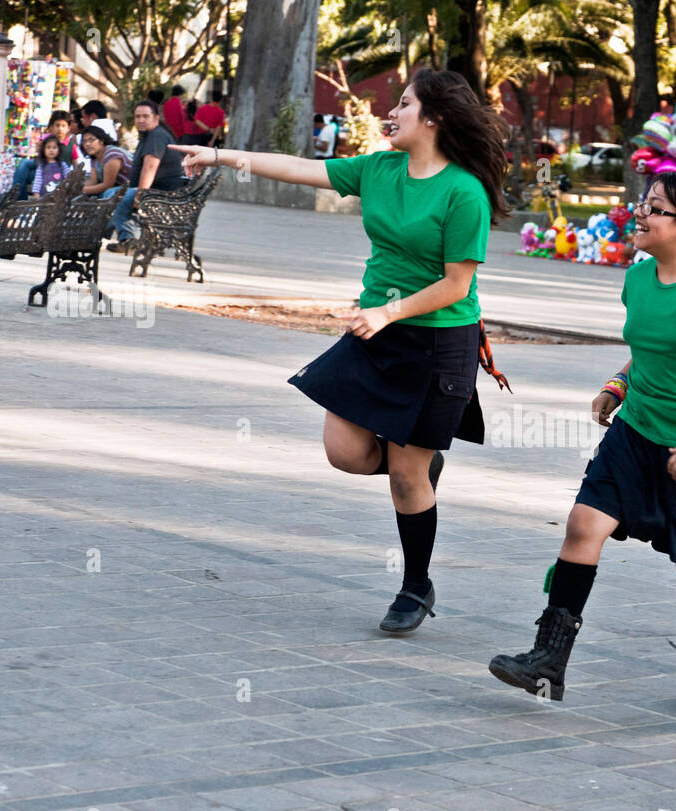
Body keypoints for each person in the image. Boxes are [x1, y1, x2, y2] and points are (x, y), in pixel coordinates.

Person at [169, 68, 511, 633]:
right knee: (345, 452)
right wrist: (222, 156)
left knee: (406, 476)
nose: (391, 112)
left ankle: (415, 585)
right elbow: (301, 169)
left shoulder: (463, 192)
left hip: (435, 339)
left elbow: (456, 285)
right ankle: (422, 471)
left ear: (434, 119)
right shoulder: (379, 169)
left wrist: (389, 311)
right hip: (376, 332)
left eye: (404, 104)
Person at [488, 172, 676, 716]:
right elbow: (651, 348)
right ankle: (549, 660)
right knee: (583, 524)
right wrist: (619, 384)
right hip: (635, 433)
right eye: (642, 204)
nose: (640, 214)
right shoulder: (639, 279)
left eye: (656, 209)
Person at [107, 101, 189, 252]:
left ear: (156, 118)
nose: (141, 120)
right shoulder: (150, 135)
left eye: (146, 116)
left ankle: (128, 239)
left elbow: (150, 167)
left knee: (117, 197)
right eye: (138, 117)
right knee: (109, 193)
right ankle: (119, 234)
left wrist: (141, 195)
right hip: (155, 191)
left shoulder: (156, 137)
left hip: (160, 194)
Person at [12, 111, 76, 199]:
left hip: (57, 174)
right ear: (51, 127)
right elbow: (39, 160)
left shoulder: (70, 145)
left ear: (68, 128)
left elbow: (75, 165)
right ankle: (17, 199)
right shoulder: (46, 139)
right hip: (43, 167)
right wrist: (40, 150)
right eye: (57, 126)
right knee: (23, 165)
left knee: (26, 172)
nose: (60, 129)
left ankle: (17, 199)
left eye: (63, 126)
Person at [79, 121, 131, 198]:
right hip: (119, 189)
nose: (87, 144)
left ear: (101, 141)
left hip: (135, 187)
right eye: (84, 141)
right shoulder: (95, 157)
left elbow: (107, 185)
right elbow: (93, 181)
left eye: (91, 140)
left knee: (106, 194)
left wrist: (80, 190)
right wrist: (75, 188)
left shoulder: (112, 154)